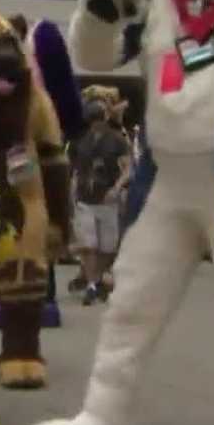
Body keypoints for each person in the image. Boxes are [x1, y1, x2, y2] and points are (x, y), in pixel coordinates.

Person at [70, 99, 131, 305]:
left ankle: (97, 279)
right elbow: (76, 171)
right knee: (89, 245)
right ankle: (92, 285)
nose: (96, 124)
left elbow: (128, 168)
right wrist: (71, 194)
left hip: (107, 200)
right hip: (85, 199)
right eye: (92, 120)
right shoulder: (81, 141)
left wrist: (116, 188)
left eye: (99, 119)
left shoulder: (117, 140)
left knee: (108, 248)